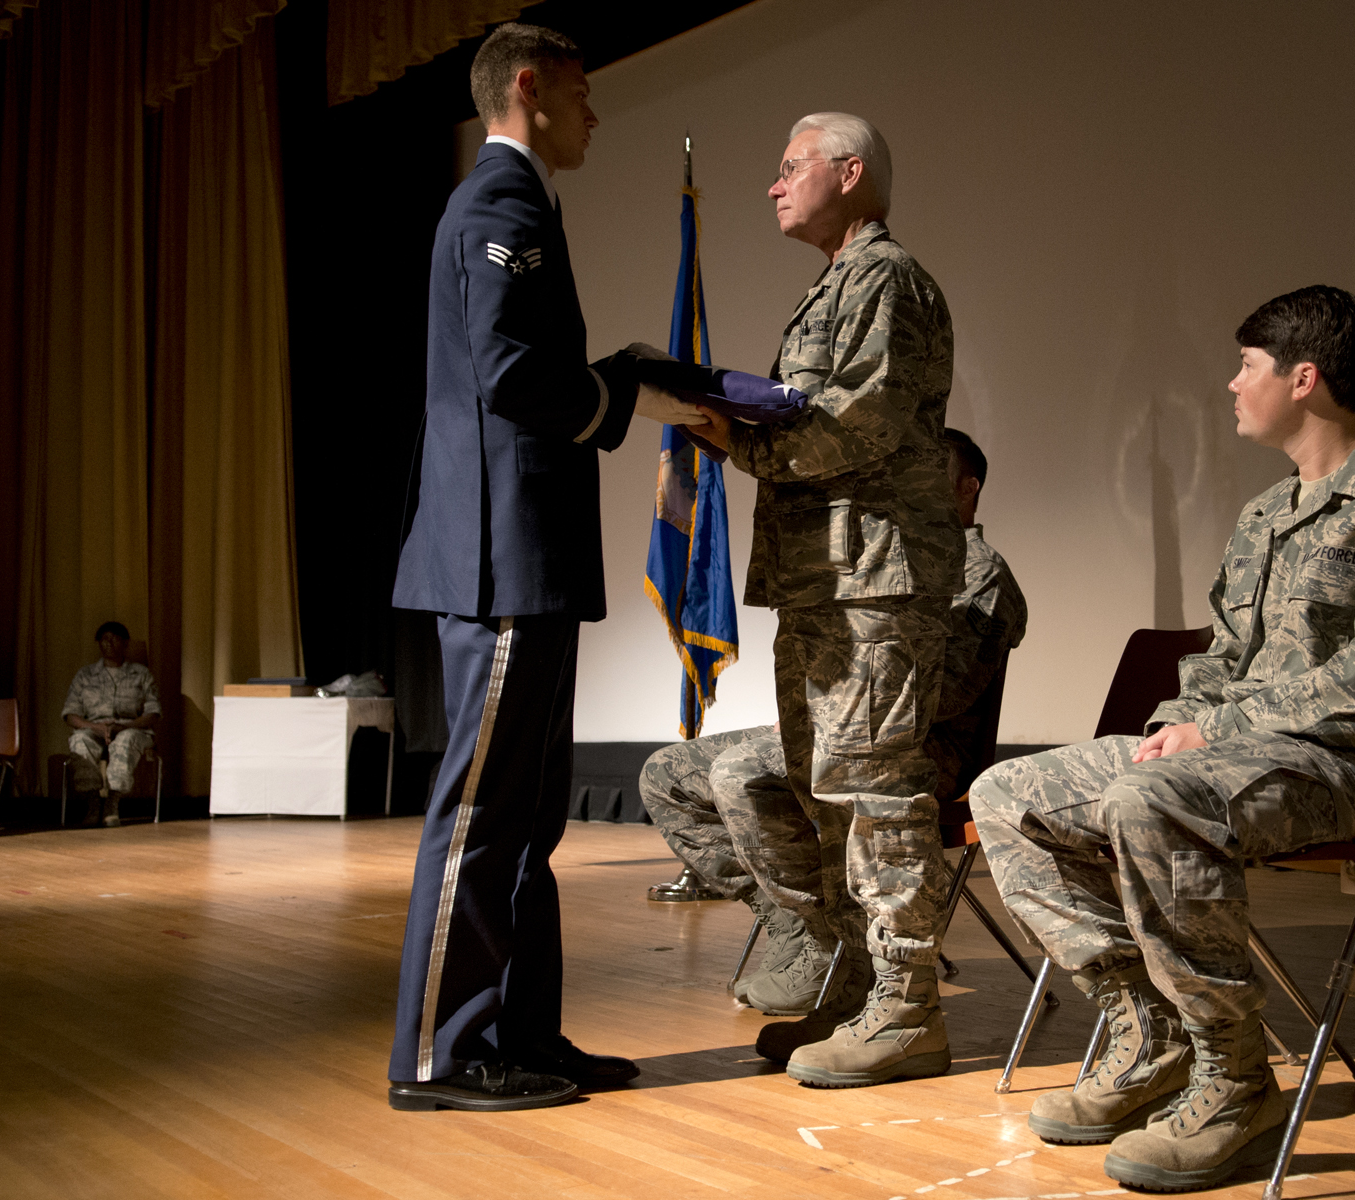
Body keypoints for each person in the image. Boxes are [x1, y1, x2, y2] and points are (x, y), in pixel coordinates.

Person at [970, 286, 1355, 1191]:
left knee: (1151, 797)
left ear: (1305, 378)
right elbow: (1220, 660)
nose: (1230, 383)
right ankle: (1148, 1032)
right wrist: (1183, 721)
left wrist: (1215, 728)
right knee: (1007, 796)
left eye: (1247, 366)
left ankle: (1234, 1079)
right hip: (1248, 755)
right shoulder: (1265, 517)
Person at [385, 23, 705, 1115]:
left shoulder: (519, 207)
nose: (594, 115)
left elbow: (532, 370)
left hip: (530, 558)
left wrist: (626, 382)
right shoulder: (499, 204)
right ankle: (441, 1054)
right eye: (581, 92)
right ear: (528, 88)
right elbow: (516, 374)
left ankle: (519, 1032)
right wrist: (633, 397)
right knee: (481, 815)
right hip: (500, 560)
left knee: (525, 820)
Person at [692, 113, 967, 1088]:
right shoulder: (832, 289)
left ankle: (909, 1007)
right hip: (824, 580)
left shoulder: (886, 281)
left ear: (849, 174)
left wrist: (735, 434)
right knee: (827, 791)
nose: (773, 185)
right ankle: (858, 991)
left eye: (789, 168)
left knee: (878, 790)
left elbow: (856, 424)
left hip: (874, 580)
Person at [640, 429, 1027, 1019]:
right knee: (666, 772)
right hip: (836, 726)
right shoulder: (887, 551)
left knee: (742, 772)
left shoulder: (979, 573)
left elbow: (941, 697)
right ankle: (796, 922)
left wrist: (832, 715)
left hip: (915, 749)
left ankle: (833, 943)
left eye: (926, 471)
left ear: (966, 488)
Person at [61, 621, 160, 828]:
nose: (109, 644)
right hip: (94, 728)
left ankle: (112, 804)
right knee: (79, 740)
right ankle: (94, 803)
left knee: (126, 740)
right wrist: (97, 728)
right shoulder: (85, 675)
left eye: (114, 639)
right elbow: (71, 715)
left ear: (125, 644)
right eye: (104, 639)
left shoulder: (140, 674)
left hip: (131, 728)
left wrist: (123, 727)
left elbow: (153, 713)